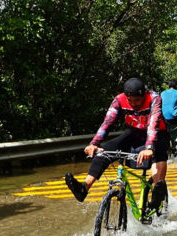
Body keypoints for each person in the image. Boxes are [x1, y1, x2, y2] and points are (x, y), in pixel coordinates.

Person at [65, 78, 169, 209]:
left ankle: (157, 191)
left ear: (144, 95)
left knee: (158, 152)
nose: (133, 104)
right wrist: (94, 143)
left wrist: (149, 147)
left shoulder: (154, 98)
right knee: (104, 150)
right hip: (134, 132)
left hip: (158, 134)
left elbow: (153, 123)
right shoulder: (119, 100)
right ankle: (84, 188)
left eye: (137, 100)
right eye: (130, 100)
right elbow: (108, 122)